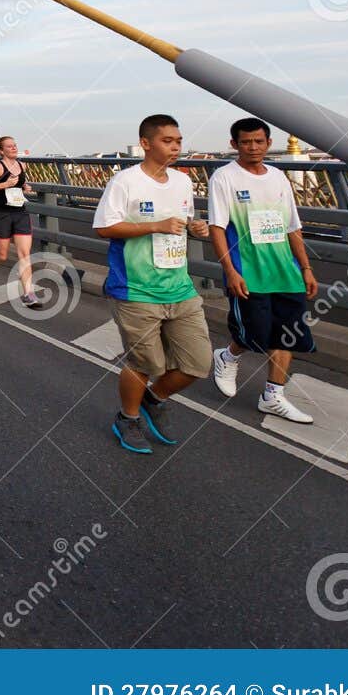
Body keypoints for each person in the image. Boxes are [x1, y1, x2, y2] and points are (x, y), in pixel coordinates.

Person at [93, 114, 212, 455]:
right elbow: (104, 227)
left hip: (180, 287)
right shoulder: (125, 181)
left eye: (178, 141)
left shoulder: (183, 182)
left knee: (197, 364)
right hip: (136, 289)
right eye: (167, 141)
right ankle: (128, 418)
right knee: (145, 364)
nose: (175, 147)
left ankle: (153, 398)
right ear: (146, 143)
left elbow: (184, 220)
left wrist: (195, 227)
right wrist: (154, 226)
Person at [206, 118, 318, 423]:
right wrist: (229, 270)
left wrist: (306, 268)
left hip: (285, 272)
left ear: (269, 143)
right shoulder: (224, 177)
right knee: (255, 334)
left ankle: (273, 396)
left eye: (258, 141)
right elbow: (216, 227)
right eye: (245, 142)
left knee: (287, 336)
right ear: (234, 145)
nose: (253, 147)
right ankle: (227, 356)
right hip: (248, 272)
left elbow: (293, 227)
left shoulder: (279, 177)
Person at [0, 135, 41, 308]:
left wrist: (24, 187)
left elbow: (20, 183)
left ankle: (28, 293)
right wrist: (4, 184)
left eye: (15, 145)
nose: (14, 148)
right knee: (2, 255)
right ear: (0, 151)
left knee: (24, 254)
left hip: (20, 213)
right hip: (1, 214)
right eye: (9, 146)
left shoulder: (22, 165)